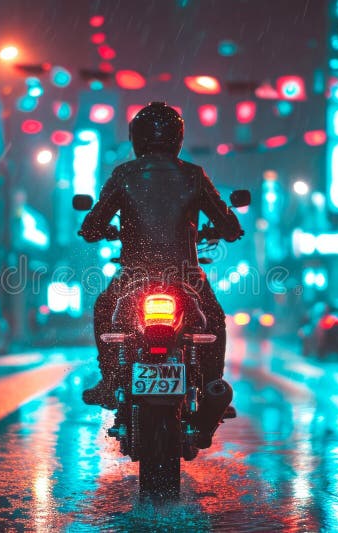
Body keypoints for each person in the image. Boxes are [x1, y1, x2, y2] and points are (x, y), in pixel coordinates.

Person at [78, 101, 243, 410]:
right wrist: (226, 227)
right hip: (185, 274)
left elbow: (91, 227)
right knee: (214, 320)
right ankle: (211, 387)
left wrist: (99, 229)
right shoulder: (193, 175)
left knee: (104, 309)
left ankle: (111, 380)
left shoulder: (124, 174)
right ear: (177, 138)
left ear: (136, 138)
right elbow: (229, 227)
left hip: (134, 273)